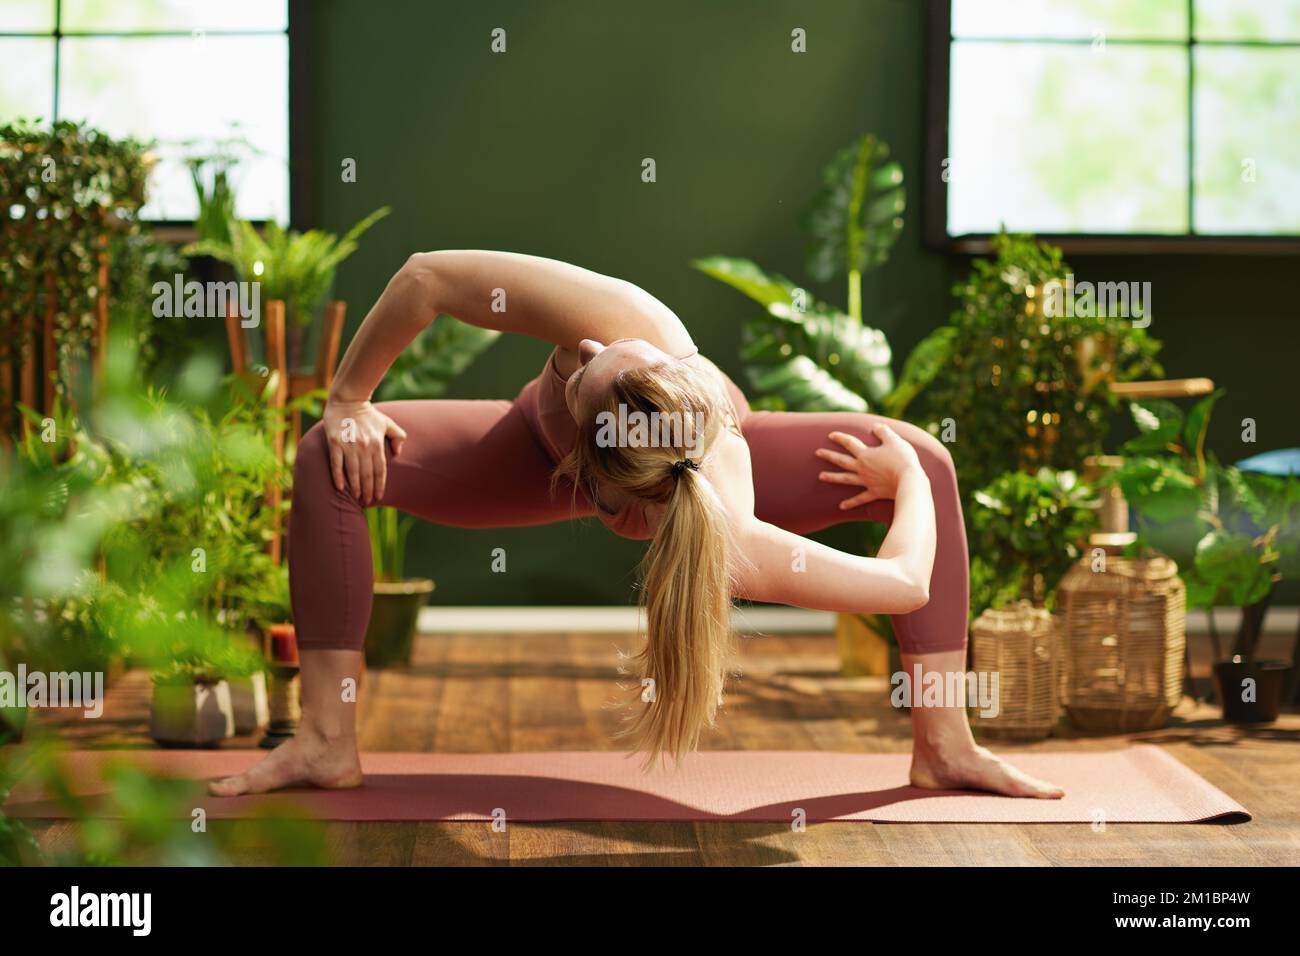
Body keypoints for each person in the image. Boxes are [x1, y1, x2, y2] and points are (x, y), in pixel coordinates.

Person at [210, 250, 1064, 799]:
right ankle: (325, 740)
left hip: (672, 484)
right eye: (587, 362)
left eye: (594, 366)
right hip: (525, 453)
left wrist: (911, 476)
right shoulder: (611, 325)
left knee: (923, 451)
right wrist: (351, 399)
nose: (585, 352)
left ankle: (945, 745)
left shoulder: (726, 517)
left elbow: (908, 580)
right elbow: (426, 277)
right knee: (331, 450)